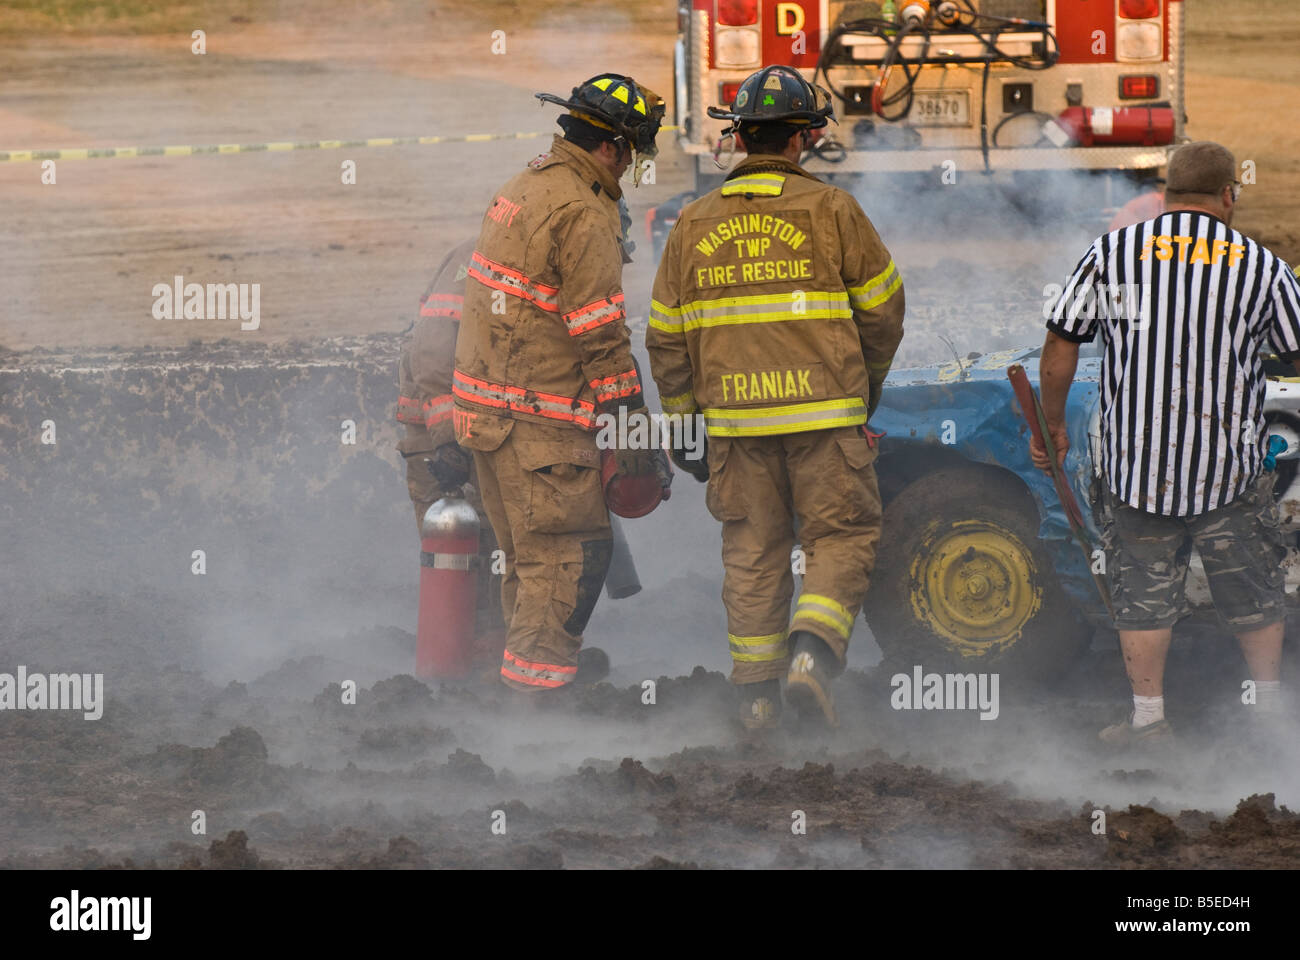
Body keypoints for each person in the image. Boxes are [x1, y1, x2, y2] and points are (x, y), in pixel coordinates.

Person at [646, 65, 904, 730]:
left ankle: (756, 698)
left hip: (734, 425)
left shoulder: (691, 224)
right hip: (825, 419)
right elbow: (883, 313)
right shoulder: (834, 211)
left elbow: (666, 339)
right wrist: (864, 389)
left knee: (753, 551)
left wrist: (684, 429)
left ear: (739, 138)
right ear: (802, 139)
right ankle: (811, 662)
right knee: (840, 537)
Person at [1036, 140, 1300, 748]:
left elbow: (1060, 343)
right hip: (1228, 466)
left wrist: (1052, 425)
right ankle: (1268, 719)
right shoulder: (1259, 264)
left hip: (1135, 466)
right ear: (1229, 195)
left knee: (1143, 596)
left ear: (1166, 195)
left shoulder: (1112, 253)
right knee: (1252, 591)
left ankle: (1149, 722)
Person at [452, 74, 664, 693]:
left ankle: (520, 699)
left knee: (526, 565)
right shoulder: (584, 211)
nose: (629, 169)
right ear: (613, 147)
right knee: (567, 565)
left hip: (487, 422)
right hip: (540, 433)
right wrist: (634, 437)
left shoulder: (523, 186)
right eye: (633, 154)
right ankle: (537, 728)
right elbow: (600, 338)